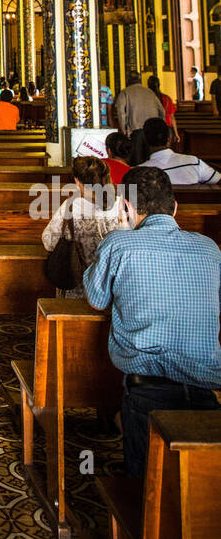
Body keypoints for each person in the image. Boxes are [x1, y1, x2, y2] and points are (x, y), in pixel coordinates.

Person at [84, 165, 221, 477]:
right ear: (174, 207)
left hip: (146, 391)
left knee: (149, 487)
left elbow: (96, 299)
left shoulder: (118, 245)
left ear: (127, 207)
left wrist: (119, 231)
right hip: (207, 390)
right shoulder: (210, 249)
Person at [41, 157, 129, 298]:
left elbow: (48, 242)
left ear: (77, 182)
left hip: (77, 286)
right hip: (113, 288)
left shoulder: (70, 207)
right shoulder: (121, 205)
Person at [142, 117, 221, 186]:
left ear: (145, 140)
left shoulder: (137, 173)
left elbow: (132, 200)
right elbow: (218, 180)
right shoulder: (194, 162)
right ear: (170, 138)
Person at [113, 73, 165, 161]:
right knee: (151, 159)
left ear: (127, 80)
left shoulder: (125, 92)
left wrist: (124, 130)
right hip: (152, 131)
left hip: (136, 131)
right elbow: (162, 111)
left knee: (138, 160)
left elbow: (121, 112)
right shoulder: (150, 92)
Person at [147, 74, 179, 144]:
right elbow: (172, 117)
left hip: (152, 127)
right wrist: (176, 133)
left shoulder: (147, 99)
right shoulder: (167, 99)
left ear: (148, 85)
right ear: (159, 85)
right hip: (166, 127)